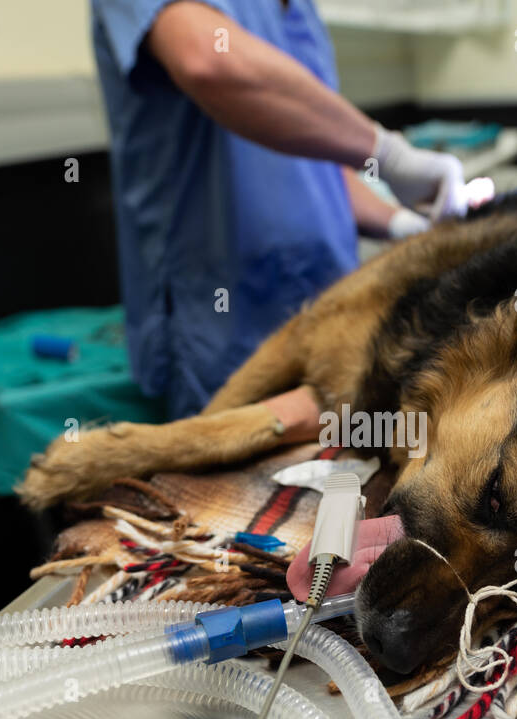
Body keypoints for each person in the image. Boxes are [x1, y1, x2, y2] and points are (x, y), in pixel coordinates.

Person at [91, 0, 467, 418]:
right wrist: (387, 153)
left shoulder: (299, 10)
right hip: (221, 323)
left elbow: (315, 164)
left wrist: (402, 224)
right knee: (223, 464)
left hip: (330, 314)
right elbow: (207, 60)